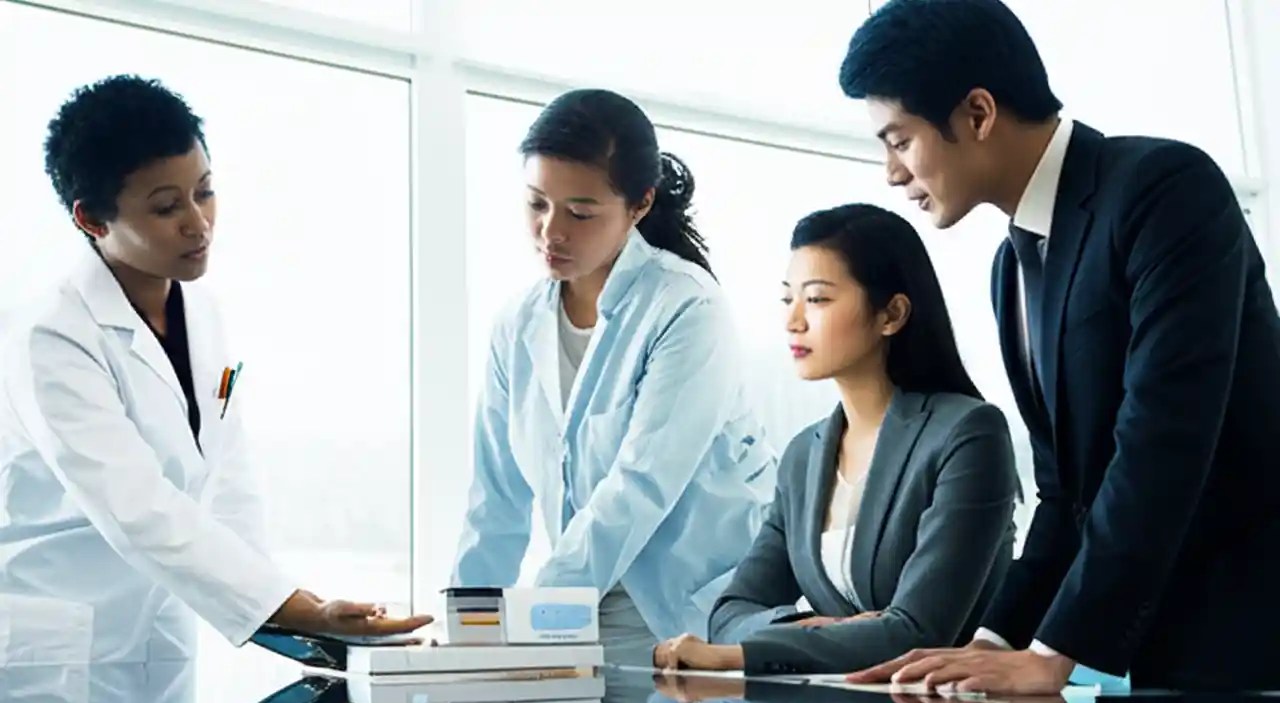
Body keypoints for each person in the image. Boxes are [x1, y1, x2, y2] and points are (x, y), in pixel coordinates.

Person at [838, 0, 1280, 693]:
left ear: (977, 114)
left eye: (899, 141)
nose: (891, 173)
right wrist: (990, 643)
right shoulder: (1010, 269)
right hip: (1164, 654)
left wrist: (1054, 653)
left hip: (1251, 627)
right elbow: (1064, 491)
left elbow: (1162, 438)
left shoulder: (1164, 190)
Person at [0, 75, 430, 663]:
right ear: (93, 220)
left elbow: (225, 484)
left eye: (204, 192)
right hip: (55, 646)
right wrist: (295, 609)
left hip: (162, 640)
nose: (198, 223)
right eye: (166, 207)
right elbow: (134, 505)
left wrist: (305, 624)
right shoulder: (51, 335)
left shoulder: (202, 314)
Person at [452, 88, 776, 667]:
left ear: (640, 205)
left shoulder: (686, 308)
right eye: (536, 204)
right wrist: (466, 637)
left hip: (683, 615)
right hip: (579, 604)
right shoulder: (518, 324)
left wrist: (536, 615)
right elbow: (495, 498)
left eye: (580, 213)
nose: (551, 231)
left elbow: (640, 484)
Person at [652, 204, 1018, 675]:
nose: (793, 320)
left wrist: (744, 655)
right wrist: (804, 628)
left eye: (818, 299)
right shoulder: (804, 457)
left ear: (892, 314)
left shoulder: (967, 435)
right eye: (787, 299)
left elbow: (919, 633)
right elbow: (729, 614)